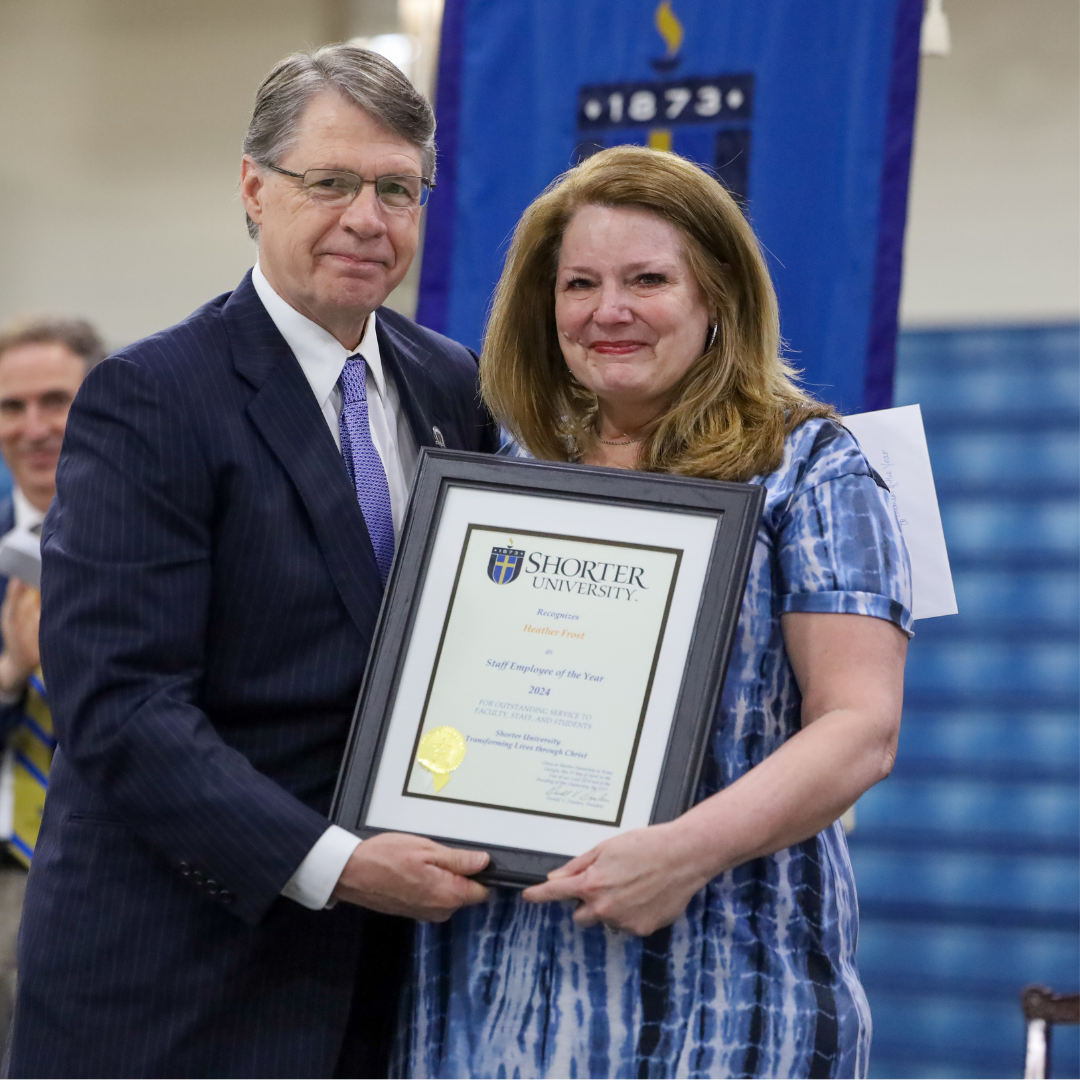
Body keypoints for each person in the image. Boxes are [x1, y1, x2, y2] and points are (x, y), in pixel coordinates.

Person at [10, 45, 495, 1079]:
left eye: (398, 189)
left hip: (386, 982)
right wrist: (342, 867)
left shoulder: (454, 384)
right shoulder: (151, 398)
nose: (368, 217)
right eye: (330, 182)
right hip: (175, 985)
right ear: (253, 188)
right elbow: (123, 707)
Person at [404, 145, 912, 1079]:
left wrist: (681, 853)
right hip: (499, 994)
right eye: (580, 284)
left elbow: (861, 728)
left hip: (728, 997)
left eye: (648, 279)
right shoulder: (498, 480)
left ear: (716, 295)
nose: (609, 312)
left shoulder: (812, 469)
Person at [0, 317, 102, 1032]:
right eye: (12, 406)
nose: (34, 427)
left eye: (55, 401)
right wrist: (11, 672)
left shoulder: (150, 536)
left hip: (117, 871)